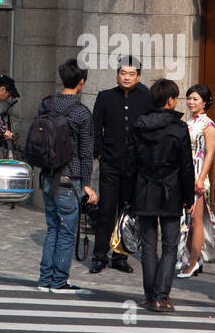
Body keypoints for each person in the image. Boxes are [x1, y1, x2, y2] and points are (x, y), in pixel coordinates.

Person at [129, 79, 195, 312]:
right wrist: (190, 200)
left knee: (148, 246)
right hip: (171, 191)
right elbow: (187, 168)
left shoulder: (139, 125)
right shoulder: (178, 129)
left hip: (144, 189)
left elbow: (131, 163)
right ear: (170, 100)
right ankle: (160, 296)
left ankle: (150, 295)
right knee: (169, 246)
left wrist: (128, 197)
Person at [35, 58, 97, 294]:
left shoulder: (47, 104)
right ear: (81, 82)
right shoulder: (81, 113)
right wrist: (88, 185)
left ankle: (44, 279)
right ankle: (59, 281)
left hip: (47, 176)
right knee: (67, 230)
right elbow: (85, 151)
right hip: (69, 179)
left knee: (53, 227)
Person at [90, 56, 153, 274]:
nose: (126, 77)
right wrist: (99, 152)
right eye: (123, 73)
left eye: (131, 73)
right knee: (106, 209)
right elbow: (95, 127)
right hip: (110, 162)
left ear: (138, 76)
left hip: (135, 165)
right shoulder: (105, 97)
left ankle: (120, 255)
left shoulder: (146, 98)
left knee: (128, 212)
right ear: (117, 74)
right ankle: (99, 255)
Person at [177, 84, 215, 277]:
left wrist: (202, 177)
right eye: (189, 98)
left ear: (205, 102)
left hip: (198, 174)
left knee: (196, 220)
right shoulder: (189, 122)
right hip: (186, 174)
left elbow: (210, 154)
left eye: (195, 99)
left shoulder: (208, 125)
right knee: (187, 219)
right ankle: (190, 258)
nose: (191, 102)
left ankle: (193, 262)